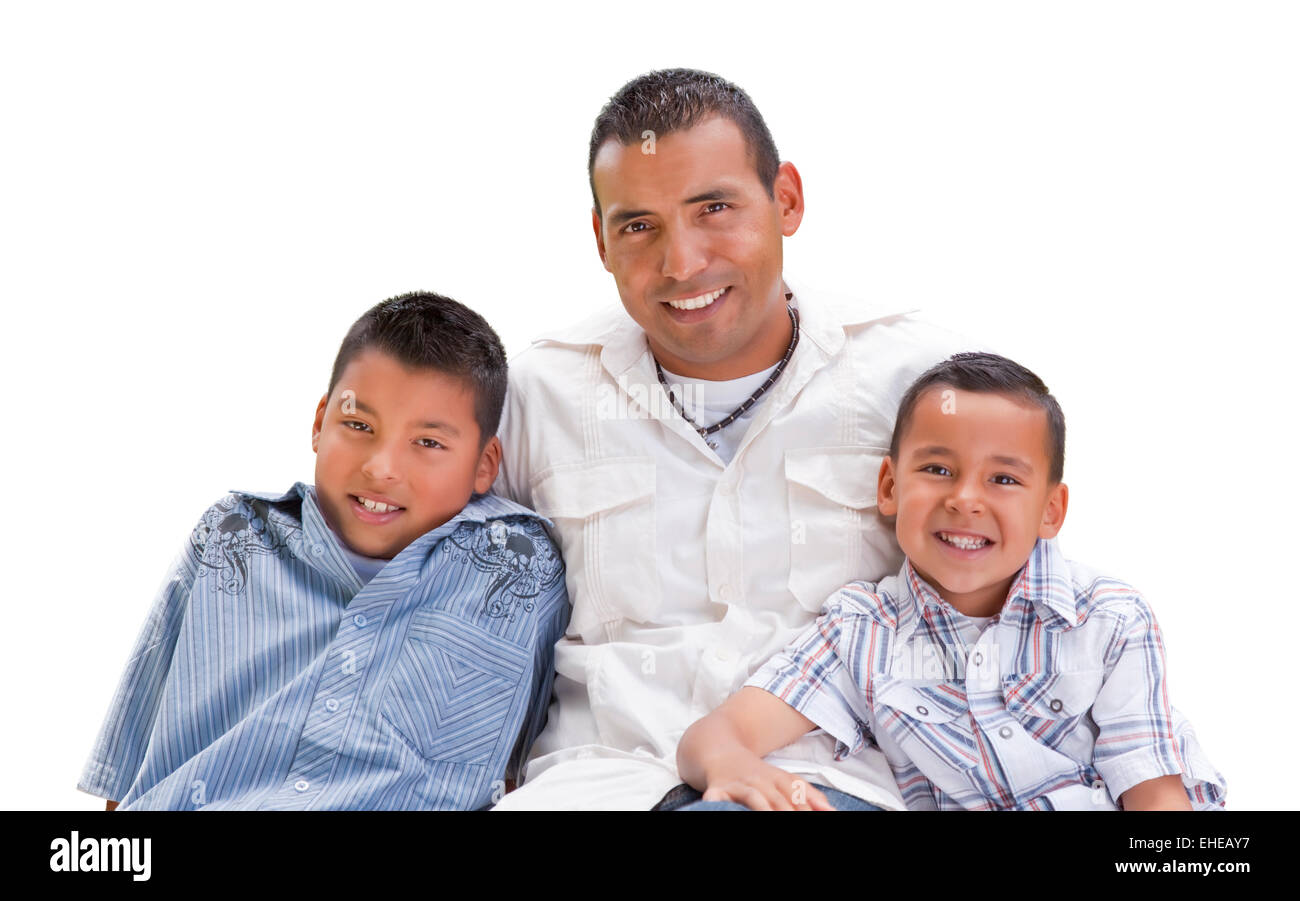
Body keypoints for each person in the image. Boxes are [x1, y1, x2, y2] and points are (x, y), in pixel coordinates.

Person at [490, 68, 969, 810]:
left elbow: (1021, 600)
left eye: (713, 208)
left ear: (786, 201)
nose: (681, 264)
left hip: (823, 782)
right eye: (639, 225)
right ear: (600, 239)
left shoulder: (914, 378)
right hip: (598, 783)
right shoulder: (539, 393)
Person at [79, 292, 569, 810]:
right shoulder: (233, 536)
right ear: (319, 422)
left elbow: (527, 767)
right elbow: (130, 769)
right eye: (359, 426)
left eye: (428, 443)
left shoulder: (519, 569)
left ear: (484, 465)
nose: (382, 467)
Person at [677, 352, 1226, 810]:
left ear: (1050, 511)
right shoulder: (861, 631)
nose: (964, 498)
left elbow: (1155, 796)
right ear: (889, 486)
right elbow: (719, 734)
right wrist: (730, 765)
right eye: (937, 470)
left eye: (1004, 479)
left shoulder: (1109, 618)